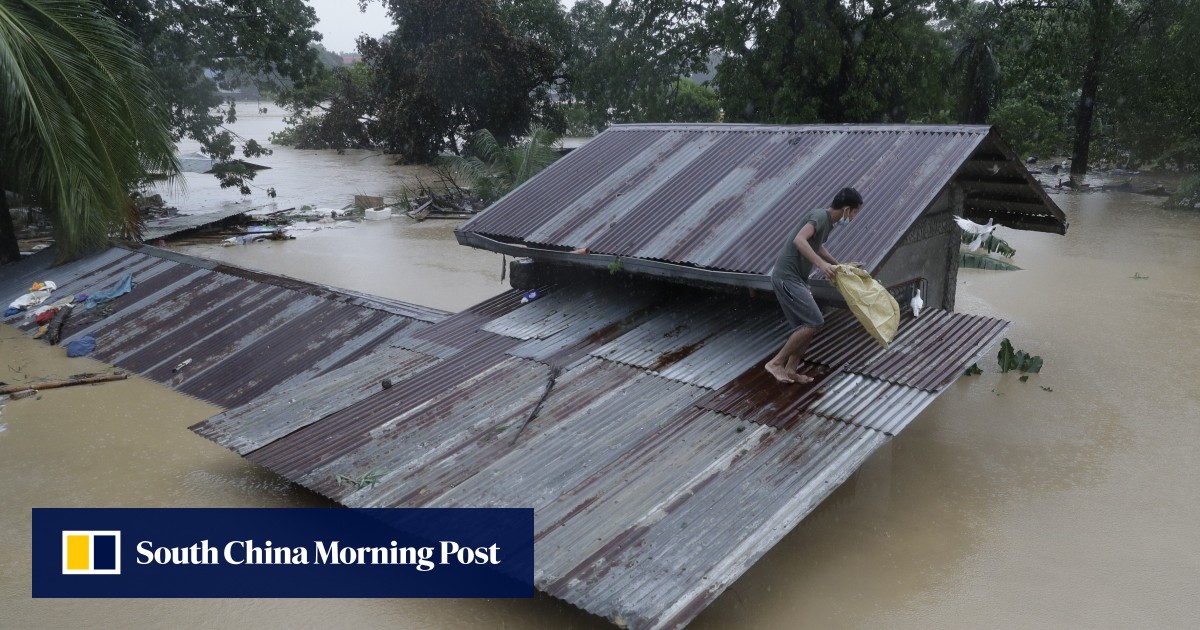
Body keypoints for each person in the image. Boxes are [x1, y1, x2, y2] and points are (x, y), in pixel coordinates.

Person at [765, 187, 863, 384]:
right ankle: (775, 363)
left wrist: (839, 266)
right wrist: (821, 264)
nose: (853, 217)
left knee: (805, 326)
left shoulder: (827, 223)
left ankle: (791, 369)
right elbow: (800, 240)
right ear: (846, 209)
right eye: (854, 212)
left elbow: (816, 246)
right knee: (814, 322)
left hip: (798, 279)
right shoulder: (820, 215)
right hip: (786, 278)